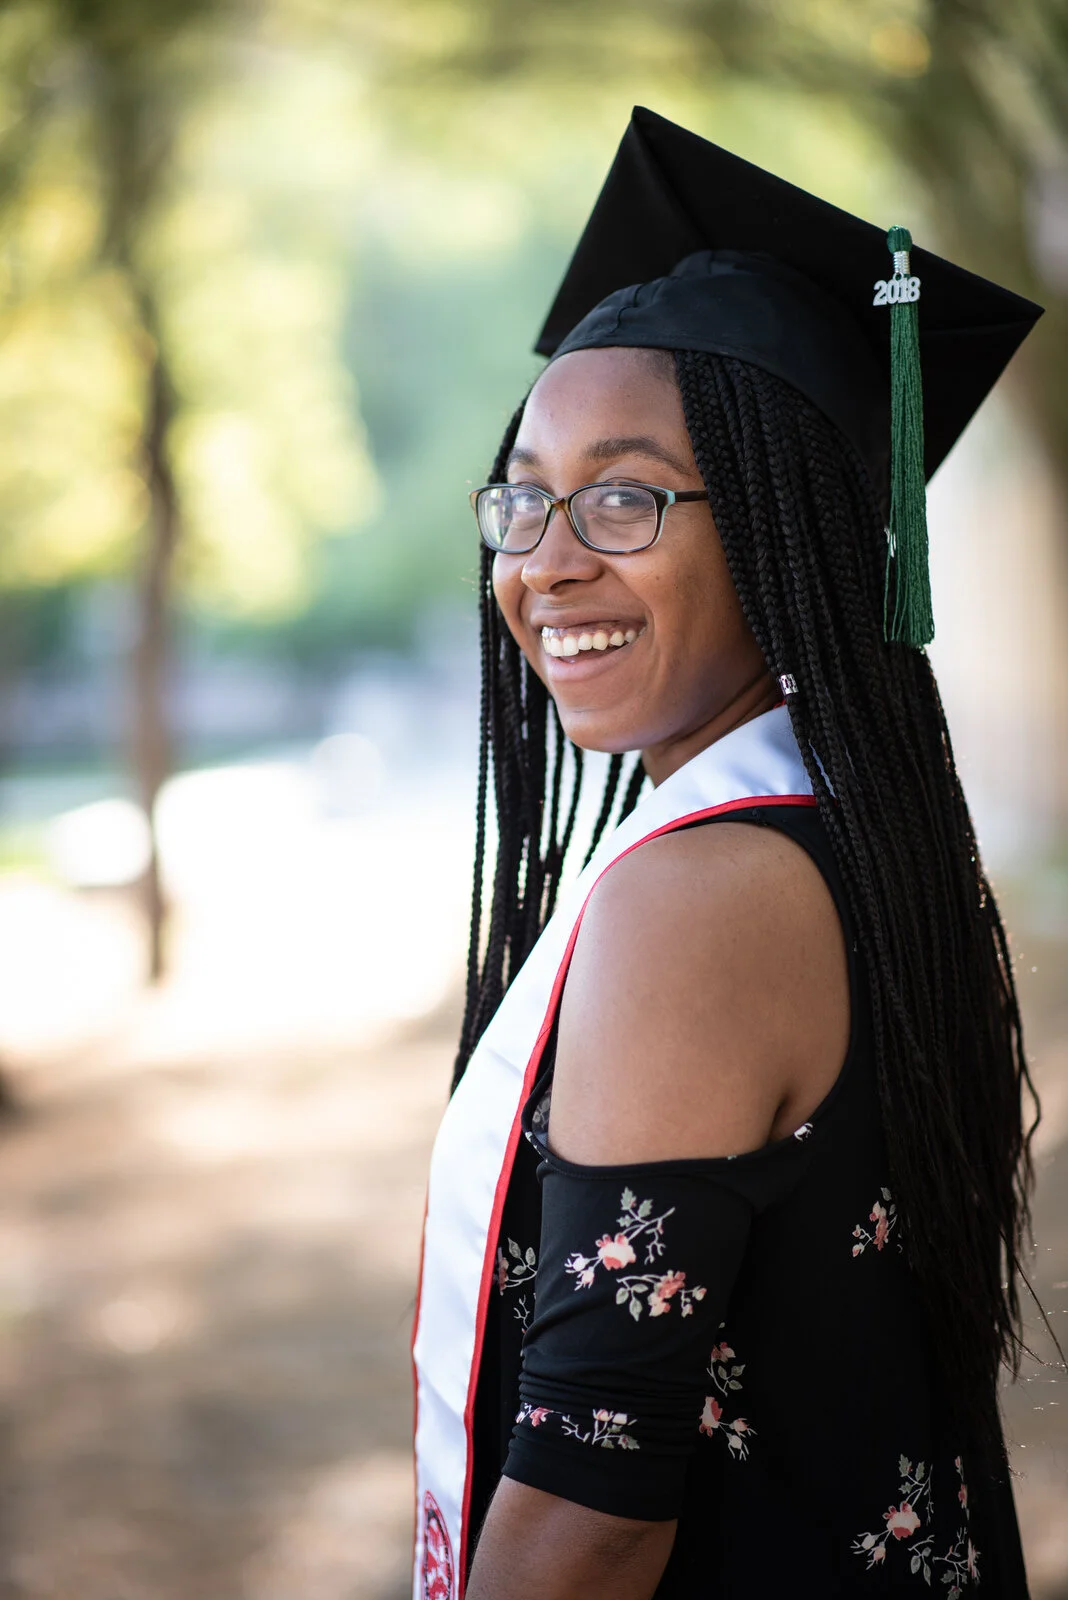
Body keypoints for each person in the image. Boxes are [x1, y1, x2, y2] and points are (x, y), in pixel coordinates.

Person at [411, 107, 1050, 1599]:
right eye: (525, 495)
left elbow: (592, 1511)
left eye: (625, 495)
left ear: (783, 533)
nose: (547, 559)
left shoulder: (701, 899)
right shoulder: (838, 836)